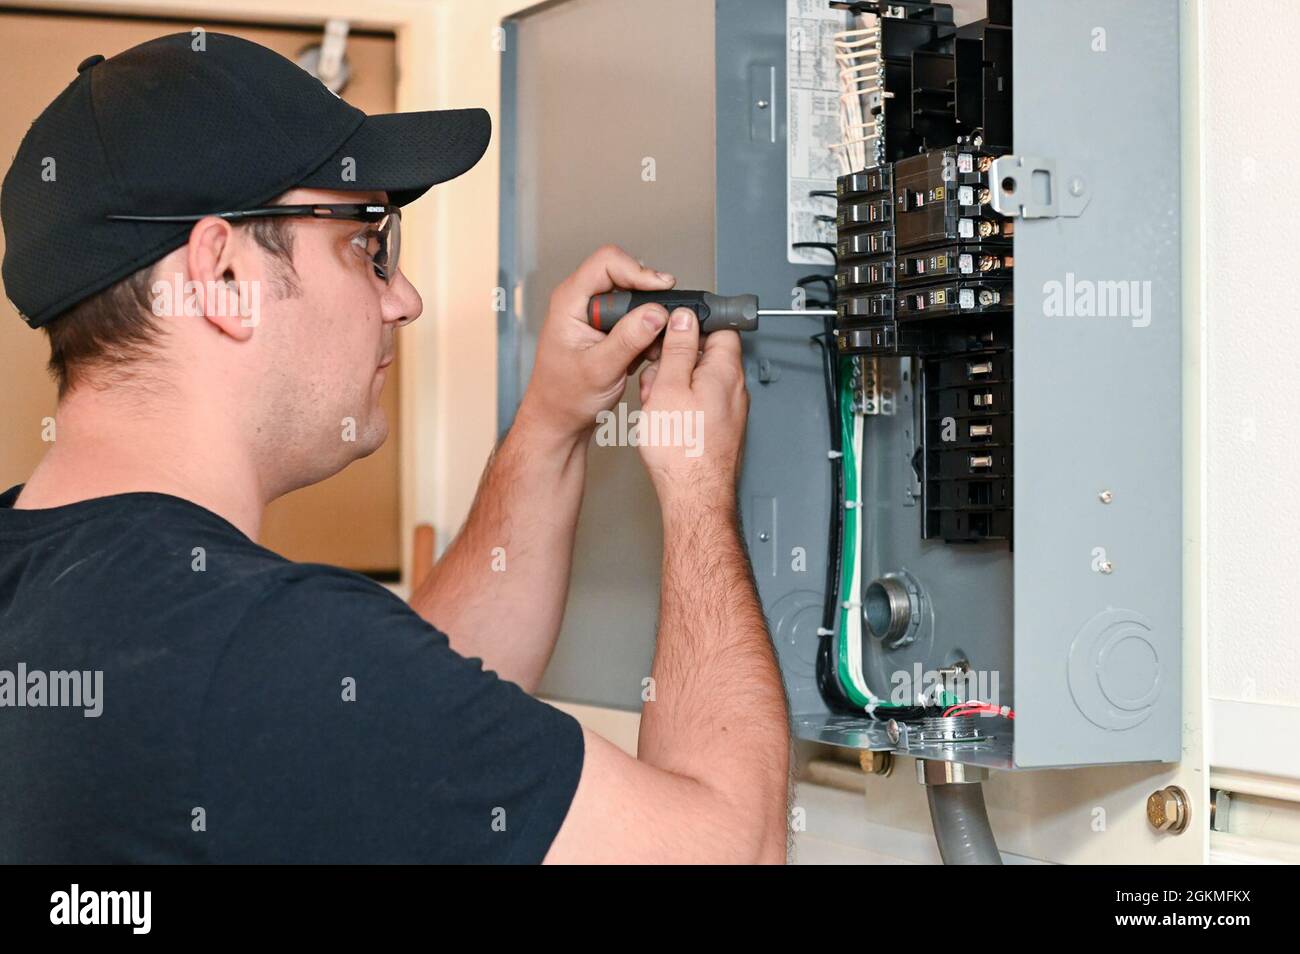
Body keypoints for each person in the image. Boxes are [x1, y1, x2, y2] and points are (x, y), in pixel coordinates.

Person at [0, 32, 790, 863]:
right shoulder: (270, 649)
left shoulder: (84, 604)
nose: (403, 300)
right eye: (367, 247)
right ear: (224, 276)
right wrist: (697, 490)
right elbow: (736, 850)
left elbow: (392, 728)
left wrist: (554, 423)